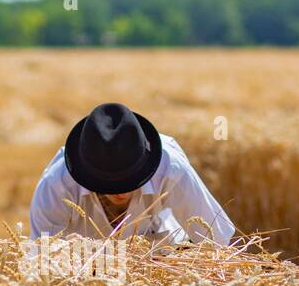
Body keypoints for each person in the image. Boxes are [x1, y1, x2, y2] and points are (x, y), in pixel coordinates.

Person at [28, 103, 235, 245]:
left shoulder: (171, 169)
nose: (122, 191)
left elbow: (215, 241)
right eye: (110, 183)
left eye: (130, 180)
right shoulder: (57, 185)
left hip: (161, 267)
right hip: (81, 276)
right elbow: (43, 261)